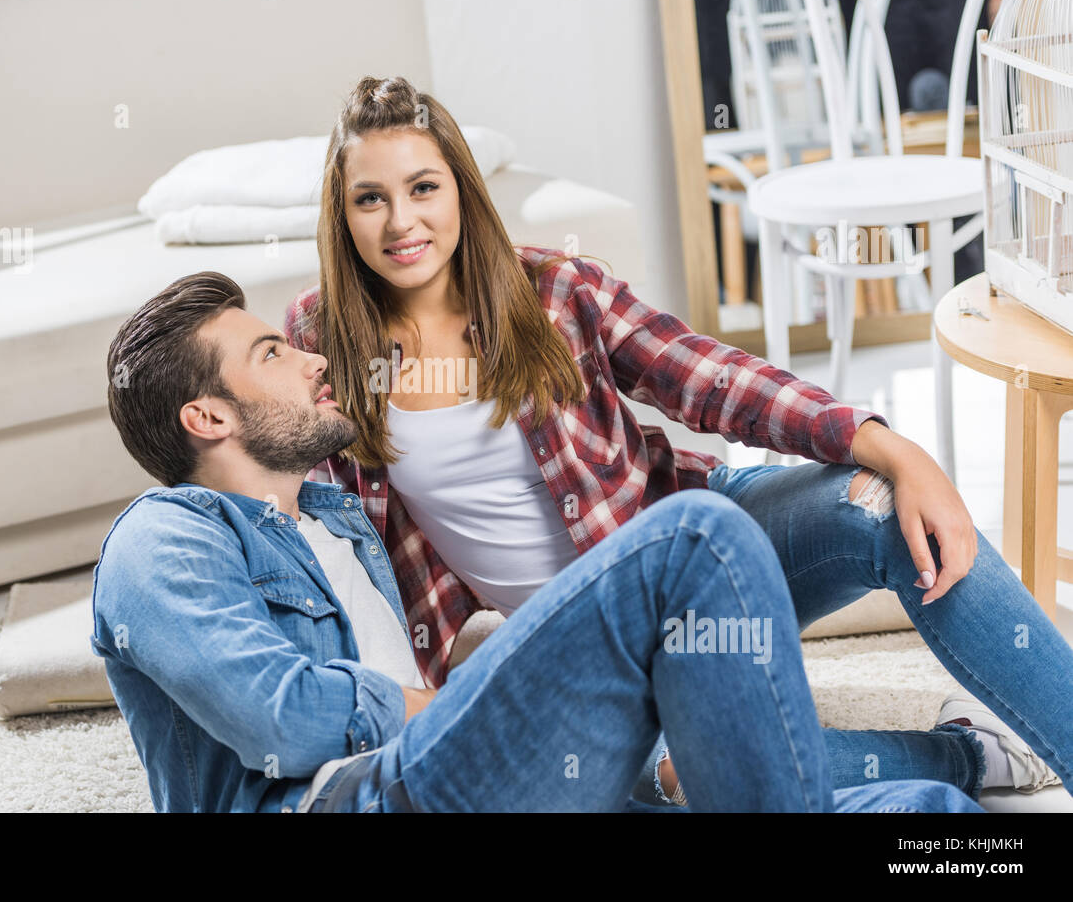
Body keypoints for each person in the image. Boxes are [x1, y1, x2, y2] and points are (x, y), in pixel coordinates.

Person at [281, 75, 1070, 807]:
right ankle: (970, 756)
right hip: (591, 649)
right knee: (671, 774)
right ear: (341, 214)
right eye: (370, 199)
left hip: (703, 548)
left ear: (460, 188)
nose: (401, 221)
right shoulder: (322, 339)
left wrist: (892, 448)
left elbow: (713, 380)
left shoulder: (556, 291)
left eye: (423, 188)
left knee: (883, 505)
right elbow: (328, 541)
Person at [90, 270, 982, 813]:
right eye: (272, 356)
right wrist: (433, 706)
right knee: (694, 541)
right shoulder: (160, 540)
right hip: (359, 796)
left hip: (457, 783)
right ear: (207, 414)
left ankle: (956, 764)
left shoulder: (337, 515)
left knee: (929, 812)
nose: (314, 360)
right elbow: (275, 720)